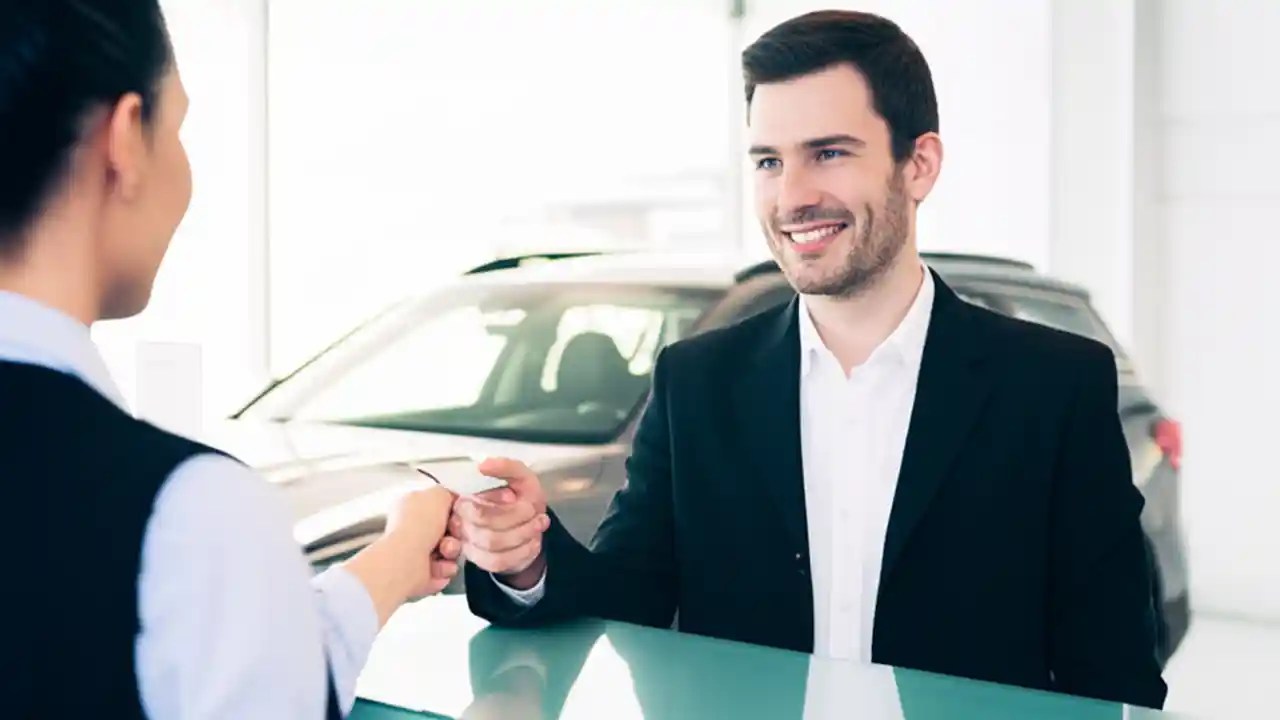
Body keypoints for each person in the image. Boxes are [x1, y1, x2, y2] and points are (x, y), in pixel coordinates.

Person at [454, 9, 1168, 710]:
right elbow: (629, 594)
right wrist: (527, 559)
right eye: (770, 161)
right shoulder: (698, 382)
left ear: (918, 164)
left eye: (828, 152)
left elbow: (1113, 672)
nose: (793, 196)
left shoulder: (1052, 387)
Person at [1, 2, 460, 717]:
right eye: (176, 128)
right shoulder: (187, 509)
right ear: (123, 139)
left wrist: (397, 556)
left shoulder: (195, 526)